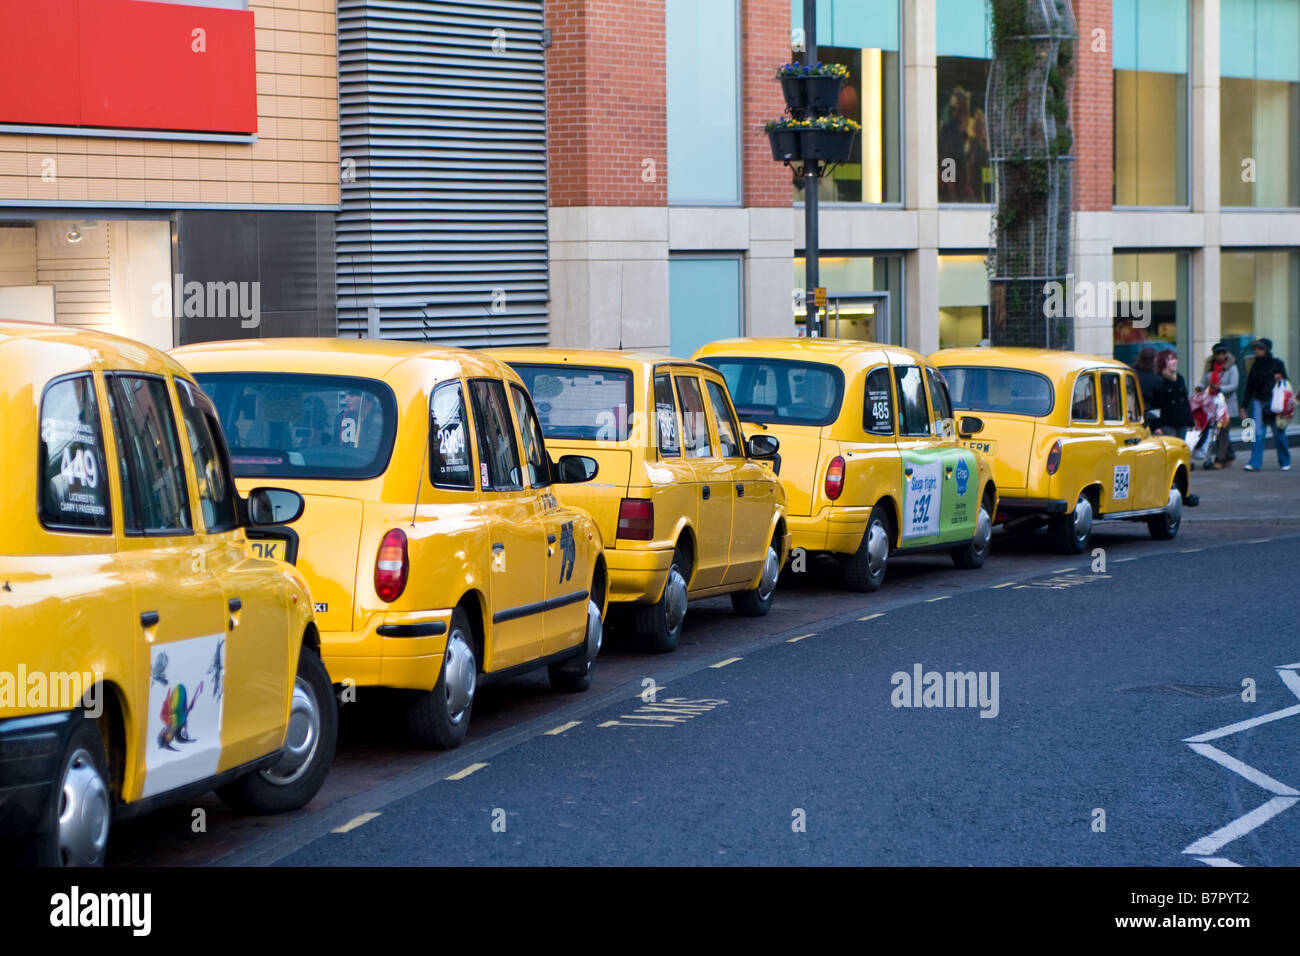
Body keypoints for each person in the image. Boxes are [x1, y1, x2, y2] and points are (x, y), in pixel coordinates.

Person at [1240, 337, 1292, 472]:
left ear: (1267, 350)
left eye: (1260, 348)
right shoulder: (1254, 365)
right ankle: (1254, 463)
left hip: (1275, 402)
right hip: (1258, 401)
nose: (1257, 350)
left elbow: (1286, 382)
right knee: (1258, 433)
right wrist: (1244, 406)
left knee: (1278, 431)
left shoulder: (1277, 364)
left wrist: (1280, 378)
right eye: (1256, 348)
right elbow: (1249, 386)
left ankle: (1284, 461)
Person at [1196, 343, 1238, 468]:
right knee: (1219, 431)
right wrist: (1200, 388)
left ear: (1226, 355)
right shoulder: (1209, 367)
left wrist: (1220, 388)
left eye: (1222, 354)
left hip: (1227, 405)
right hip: (1213, 404)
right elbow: (1204, 381)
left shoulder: (1232, 368)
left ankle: (1219, 459)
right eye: (1218, 354)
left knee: (1223, 430)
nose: (1220, 356)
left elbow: (1233, 385)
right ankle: (1230, 455)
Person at [1151, 350, 1193, 440]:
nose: (1174, 361)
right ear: (1163, 362)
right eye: (1170, 359)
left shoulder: (1180, 378)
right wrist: (1156, 426)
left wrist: (1190, 422)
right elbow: (1155, 406)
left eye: (1175, 359)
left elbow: (1185, 402)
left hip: (1182, 422)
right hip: (1167, 423)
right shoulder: (1159, 380)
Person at [1132, 347, 1161, 416]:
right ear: (1154, 360)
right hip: (1149, 412)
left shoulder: (1133, 373)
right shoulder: (1156, 379)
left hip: (1133, 411)